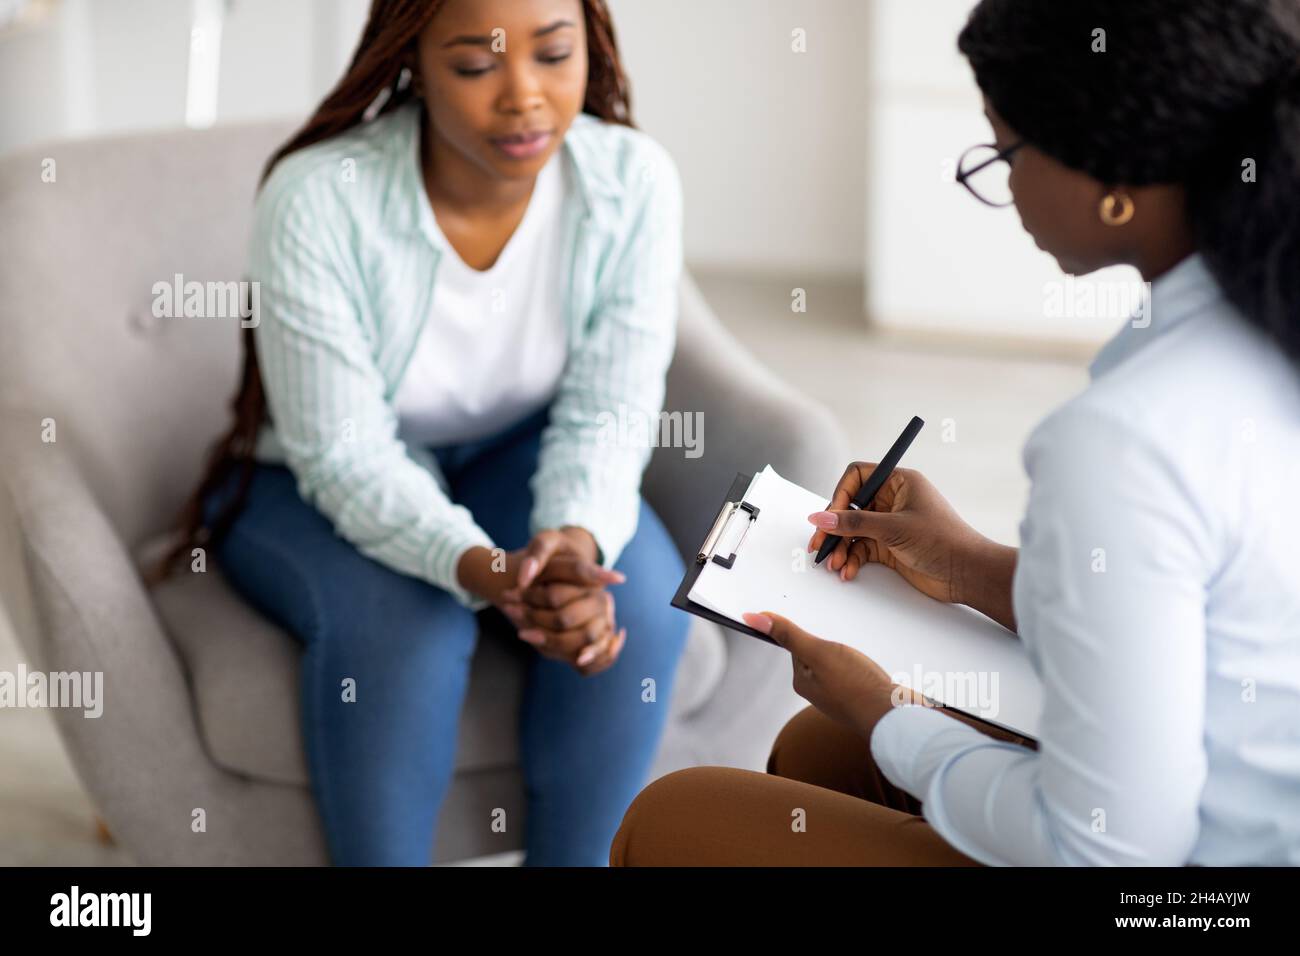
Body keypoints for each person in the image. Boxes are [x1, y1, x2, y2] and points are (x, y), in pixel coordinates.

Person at [611, 0, 1300, 866]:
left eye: (1004, 150)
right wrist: (966, 563)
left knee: (677, 820)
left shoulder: (1128, 439)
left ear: (1114, 179)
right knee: (813, 754)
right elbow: (1196, 616)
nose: (1000, 182)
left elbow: (1107, 851)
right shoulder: (1257, 324)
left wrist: (889, 713)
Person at [151, 0, 690, 866]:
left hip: (510, 450)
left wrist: (572, 543)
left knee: (631, 603)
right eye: (477, 66)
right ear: (413, 64)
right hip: (309, 477)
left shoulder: (632, 181)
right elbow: (345, 454)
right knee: (410, 638)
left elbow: (609, 402)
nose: (525, 96)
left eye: (555, 55)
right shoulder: (320, 198)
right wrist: (489, 571)